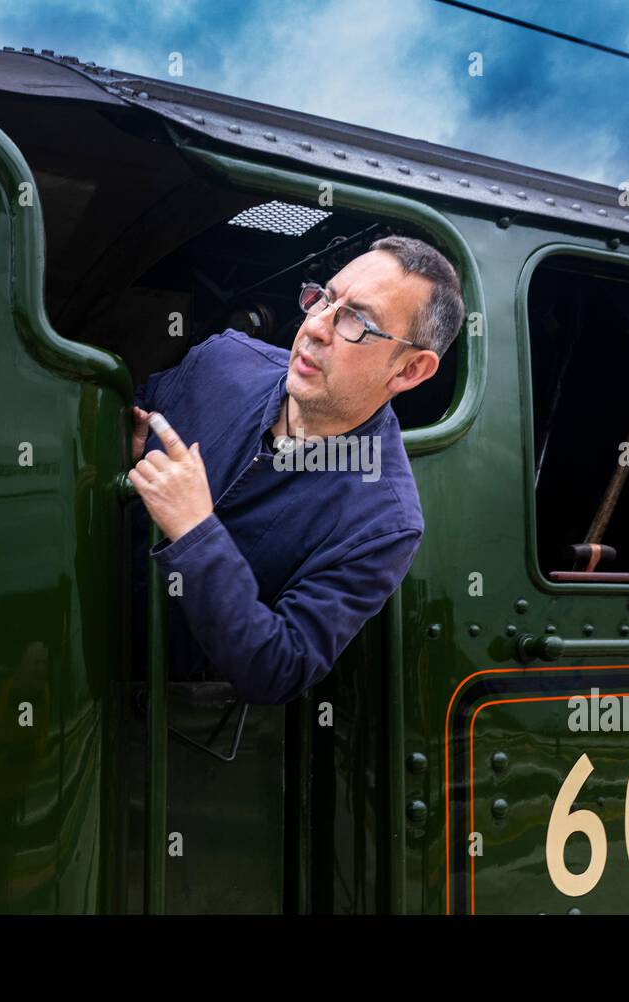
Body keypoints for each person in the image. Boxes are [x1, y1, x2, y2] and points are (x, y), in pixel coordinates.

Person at [128, 235, 465, 705]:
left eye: (357, 321)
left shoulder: (384, 522)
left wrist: (195, 532)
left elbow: (279, 669)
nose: (316, 327)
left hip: (141, 721)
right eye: (324, 298)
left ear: (410, 370)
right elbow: (134, 411)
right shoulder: (222, 360)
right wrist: (123, 441)